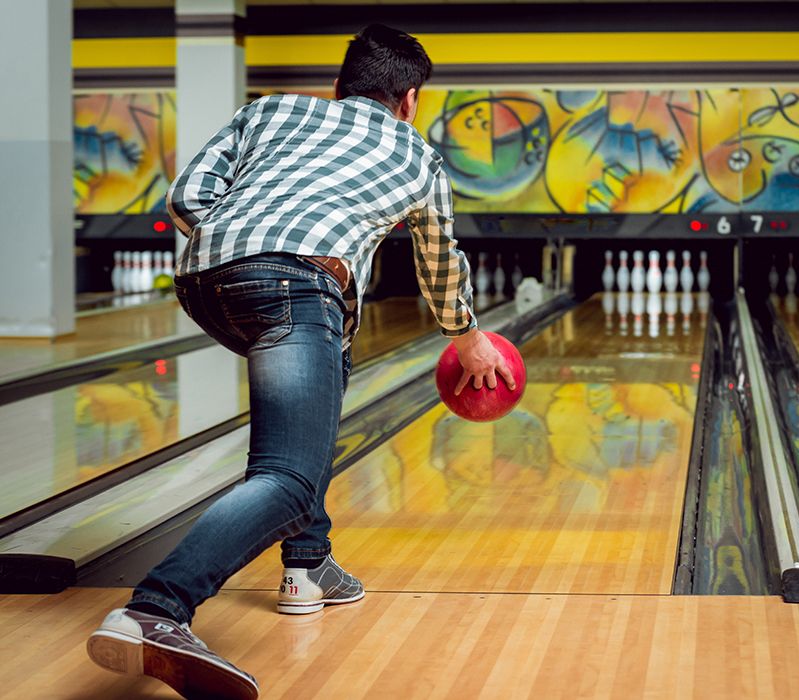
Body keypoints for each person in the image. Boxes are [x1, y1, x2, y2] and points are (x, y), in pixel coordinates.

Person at [86, 24, 515, 700]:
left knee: (321, 393)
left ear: (338, 88)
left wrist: (243, 242)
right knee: (286, 475)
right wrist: (466, 335)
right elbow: (437, 260)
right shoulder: (416, 151)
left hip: (207, 280)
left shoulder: (268, 111)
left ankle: (307, 564)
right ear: (408, 100)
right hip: (295, 287)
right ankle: (155, 610)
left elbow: (185, 197)